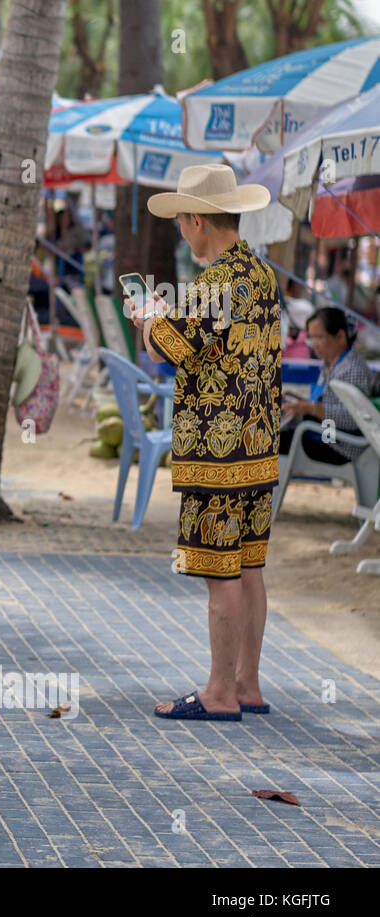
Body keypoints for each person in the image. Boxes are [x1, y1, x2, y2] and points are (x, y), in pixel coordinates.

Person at [125, 164, 281, 721]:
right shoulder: (261, 277)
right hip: (259, 446)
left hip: (218, 453)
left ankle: (218, 693)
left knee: (221, 575)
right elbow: (213, 344)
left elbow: (172, 347)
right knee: (250, 568)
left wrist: (146, 316)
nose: (183, 234)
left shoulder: (215, 282)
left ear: (196, 220)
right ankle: (247, 684)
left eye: (182, 223)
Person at [280, 307, 374, 464]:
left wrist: (310, 408)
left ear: (340, 337)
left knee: (275, 442)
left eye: (319, 337)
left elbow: (354, 419)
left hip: (339, 445)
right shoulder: (329, 364)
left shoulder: (353, 369)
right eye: (311, 338)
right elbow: (327, 402)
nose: (314, 344)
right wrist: (299, 401)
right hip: (325, 433)